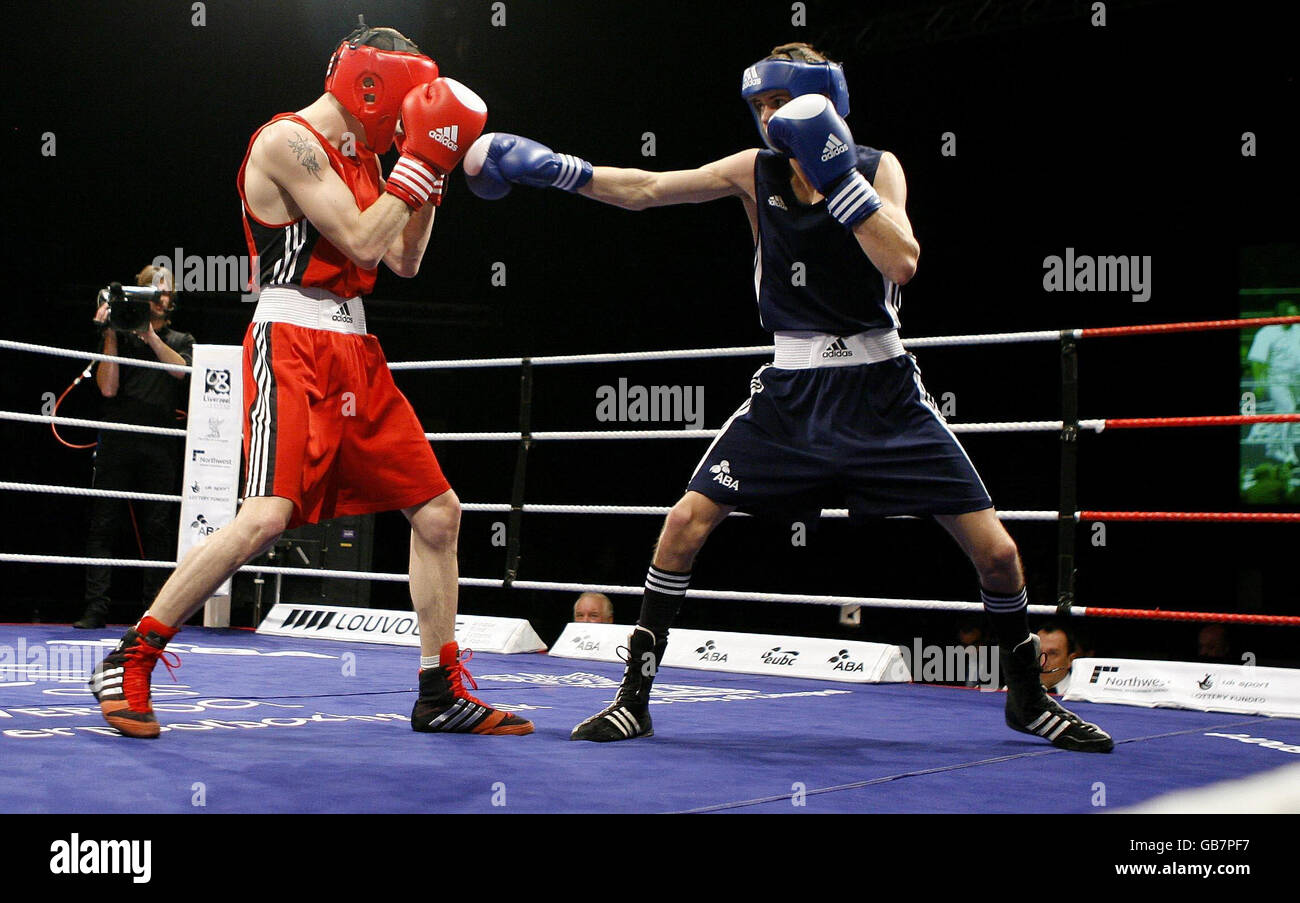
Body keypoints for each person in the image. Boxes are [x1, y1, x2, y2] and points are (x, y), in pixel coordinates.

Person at [466, 42, 1112, 752]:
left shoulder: (875, 166)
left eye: (780, 104)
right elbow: (647, 188)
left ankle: (1025, 696)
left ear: (824, 103)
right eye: (760, 106)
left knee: (998, 554)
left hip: (882, 389)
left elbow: (903, 260)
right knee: (685, 522)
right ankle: (634, 698)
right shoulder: (755, 171)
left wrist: (840, 180)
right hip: (791, 390)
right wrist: (560, 170)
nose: (768, 118)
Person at [89, 21, 532, 738]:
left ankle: (438, 688)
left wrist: (433, 172)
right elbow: (358, 239)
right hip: (291, 338)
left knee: (439, 512)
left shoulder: (368, 155)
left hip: (356, 346)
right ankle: (132, 653)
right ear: (373, 84)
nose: (404, 122)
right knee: (267, 516)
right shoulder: (287, 141)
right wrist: (419, 161)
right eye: (405, 103)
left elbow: (403, 261)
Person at [74, 266, 193, 629]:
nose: (162, 297)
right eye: (154, 291)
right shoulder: (119, 339)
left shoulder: (180, 338)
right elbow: (107, 388)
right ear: (139, 294)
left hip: (161, 440)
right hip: (118, 437)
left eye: (167, 291)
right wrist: (111, 331)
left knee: (158, 526)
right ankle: (96, 609)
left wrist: (149, 336)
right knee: (104, 523)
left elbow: (182, 372)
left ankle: (153, 614)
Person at [1245, 300, 1300, 465]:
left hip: (1296, 378)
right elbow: (1256, 360)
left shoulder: (1298, 329)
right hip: (1276, 378)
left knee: (1282, 413)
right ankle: (1287, 451)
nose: (1296, 317)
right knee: (1289, 411)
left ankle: (1272, 447)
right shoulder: (1267, 332)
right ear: (1282, 315)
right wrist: (1260, 382)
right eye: (1292, 314)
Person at [1036, 621, 1085, 694]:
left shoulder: (1084, 695)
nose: (1042, 663)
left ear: (1070, 660)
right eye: (1037, 652)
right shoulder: (1016, 690)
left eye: (1052, 653)